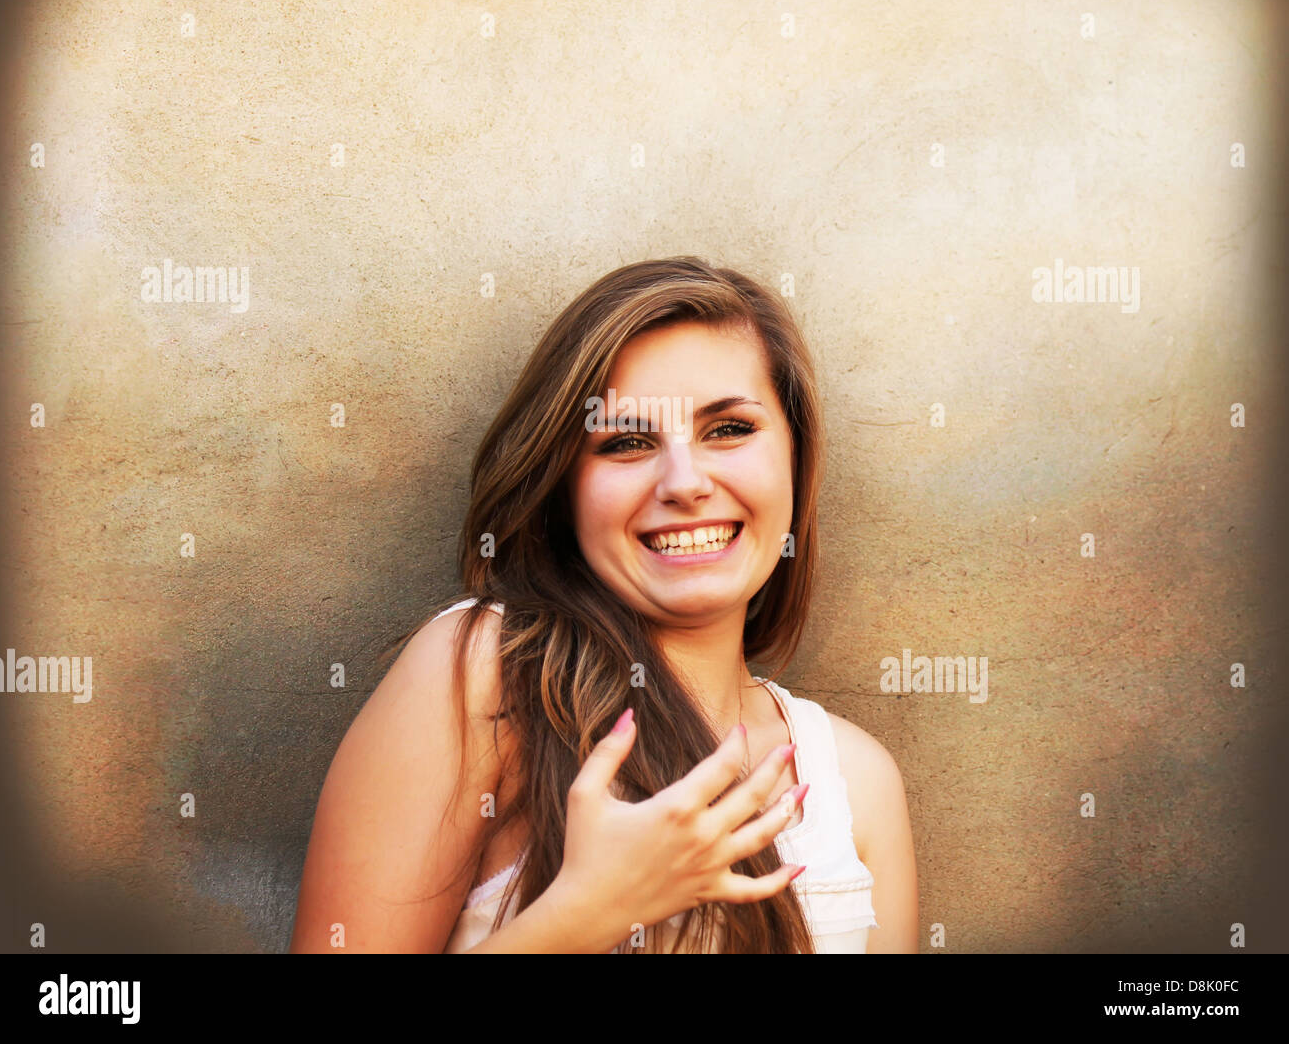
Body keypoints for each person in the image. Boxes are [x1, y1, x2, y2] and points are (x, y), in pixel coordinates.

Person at [289, 256, 918, 953]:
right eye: (626, 442)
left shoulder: (855, 780)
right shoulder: (483, 678)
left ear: (796, 459)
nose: (685, 482)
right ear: (564, 488)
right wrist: (588, 912)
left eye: (729, 429)